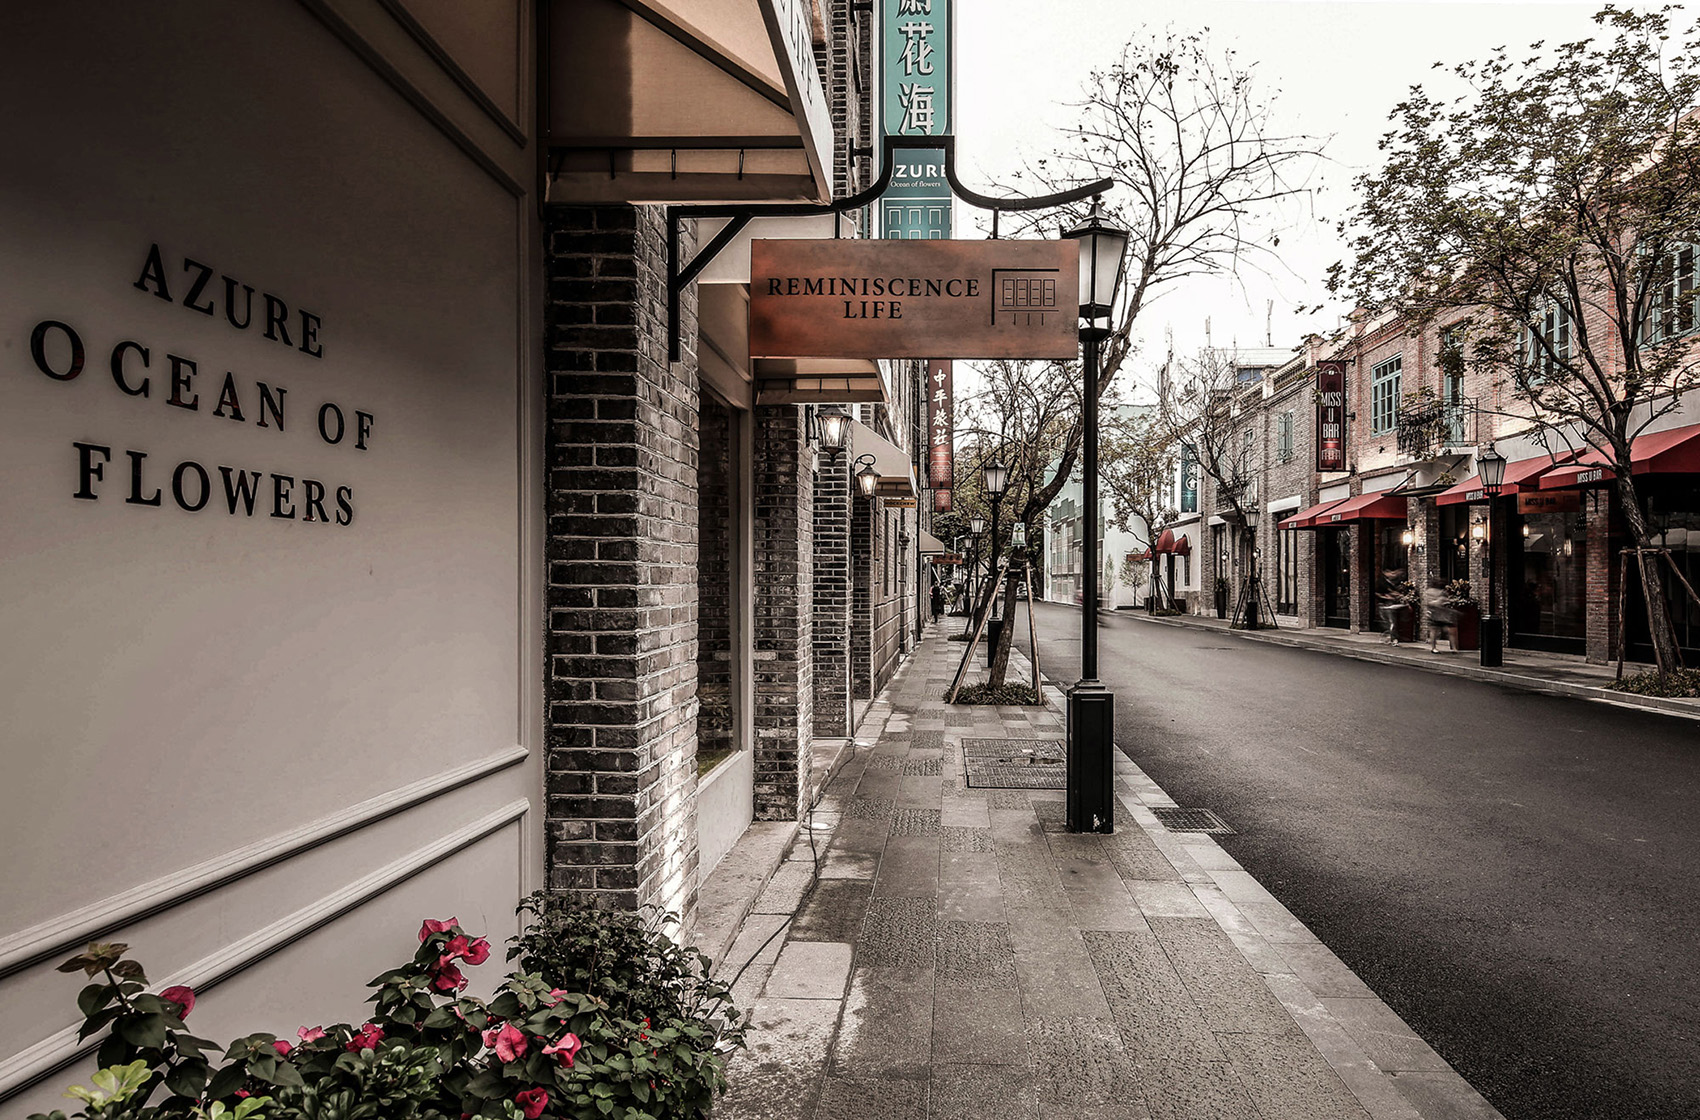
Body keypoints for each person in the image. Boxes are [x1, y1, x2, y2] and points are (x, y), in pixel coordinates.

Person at [1424, 577, 1457, 653]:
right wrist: (1439, 601)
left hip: (1441, 614)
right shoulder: (1433, 592)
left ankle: (1452, 647)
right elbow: (1430, 603)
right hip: (1436, 614)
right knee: (1436, 631)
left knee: (1446, 630)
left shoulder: (1439, 592)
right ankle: (1435, 648)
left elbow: (1446, 601)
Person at [1376, 566, 1408, 644]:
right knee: (1391, 622)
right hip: (1385, 604)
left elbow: (1393, 592)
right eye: (1391, 573)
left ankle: (1390, 636)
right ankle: (1393, 638)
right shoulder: (1382, 583)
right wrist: (1386, 597)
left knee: (1391, 622)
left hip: (1391, 604)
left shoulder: (1394, 582)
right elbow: (1377, 593)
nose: (1393, 574)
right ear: (1385, 573)